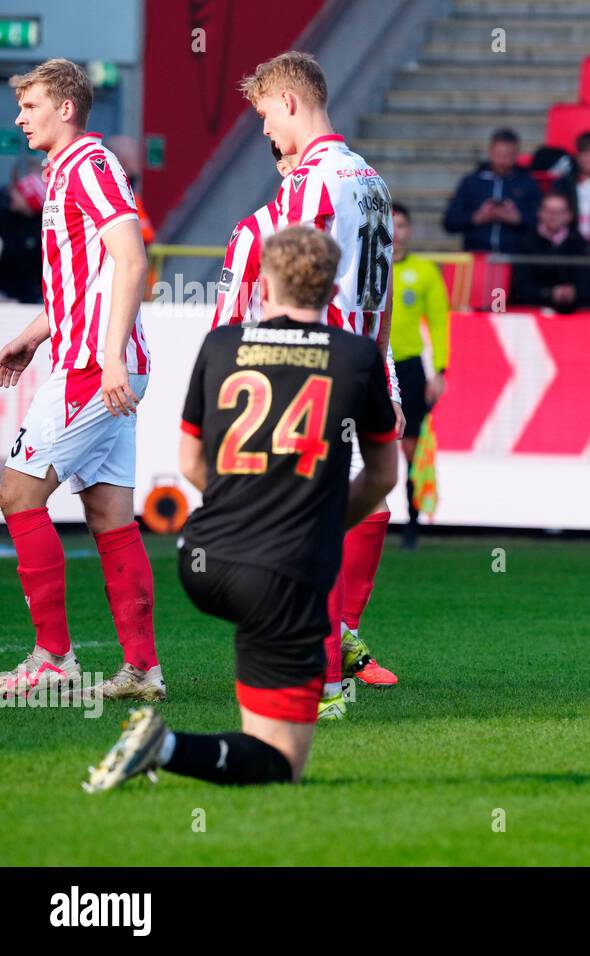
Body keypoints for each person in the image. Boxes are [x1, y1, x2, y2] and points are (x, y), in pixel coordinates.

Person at [82, 226, 399, 792]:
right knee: (281, 765)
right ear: (332, 290)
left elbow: (191, 462)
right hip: (284, 571)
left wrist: (245, 508)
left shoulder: (222, 344)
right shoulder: (354, 355)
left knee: (261, 691)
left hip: (206, 559)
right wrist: (317, 521)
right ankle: (166, 744)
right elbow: (383, 476)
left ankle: (161, 744)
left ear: (265, 281)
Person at [241, 50, 403, 709]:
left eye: (263, 116)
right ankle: (335, 650)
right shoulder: (369, 179)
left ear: (288, 100)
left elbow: (293, 278)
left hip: (319, 360)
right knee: (345, 504)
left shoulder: (310, 180)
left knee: (308, 515)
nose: (263, 132)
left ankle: (326, 675)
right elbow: (383, 286)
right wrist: (377, 362)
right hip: (367, 355)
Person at [0, 59, 162, 702]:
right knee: (109, 514)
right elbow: (88, 280)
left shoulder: (88, 166)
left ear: (66, 107)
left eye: (31, 104)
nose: (20, 117)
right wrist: (33, 336)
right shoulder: (68, 171)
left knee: (16, 493)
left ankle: (52, 659)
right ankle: (142, 669)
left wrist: (112, 355)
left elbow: (131, 256)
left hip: (96, 369)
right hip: (95, 360)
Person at [389, 203, 451, 548]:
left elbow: (440, 323)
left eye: (401, 224)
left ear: (410, 230)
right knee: (365, 445)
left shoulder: (425, 272)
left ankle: (411, 523)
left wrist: (440, 370)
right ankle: (363, 520)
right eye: (391, 224)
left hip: (409, 367)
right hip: (371, 366)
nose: (396, 231)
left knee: (411, 446)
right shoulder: (369, 266)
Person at [211, 142, 295, 328]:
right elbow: (229, 316)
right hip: (270, 353)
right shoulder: (254, 230)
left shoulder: (342, 218)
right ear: (284, 169)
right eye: (304, 163)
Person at [442, 128, 541, 254]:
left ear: (516, 155)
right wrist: (477, 218)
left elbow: (542, 225)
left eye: (508, 156)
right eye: (499, 155)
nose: (502, 161)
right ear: (490, 152)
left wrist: (517, 219)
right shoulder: (471, 182)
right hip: (477, 254)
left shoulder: (528, 183)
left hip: (516, 256)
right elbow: (449, 222)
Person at [509, 192, 590, 314]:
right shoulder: (524, 243)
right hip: (534, 311)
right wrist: (549, 293)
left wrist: (574, 292)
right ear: (539, 213)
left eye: (558, 212)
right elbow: (519, 287)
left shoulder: (581, 245)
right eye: (548, 211)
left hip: (573, 313)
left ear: (569, 215)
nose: (552, 216)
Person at [0, 167, 44, 303]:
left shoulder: (42, 230)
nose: (12, 193)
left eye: (18, 191)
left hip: (28, 301)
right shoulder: (6, 217)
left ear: (29, 199)